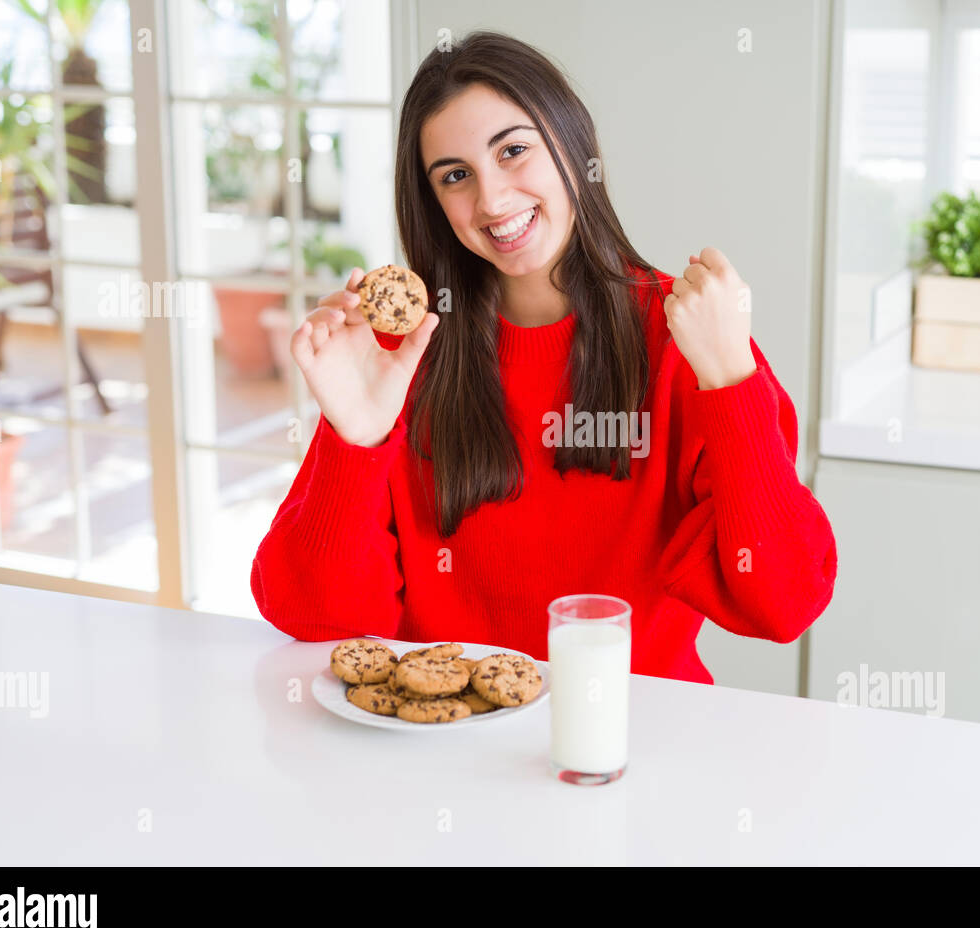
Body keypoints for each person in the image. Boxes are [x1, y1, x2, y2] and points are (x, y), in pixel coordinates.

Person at [251, 31, 836, 683]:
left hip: (627, 741)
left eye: (514, 150)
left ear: (572, 143)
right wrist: (355, 441)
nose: (493, 201)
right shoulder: (399, 354)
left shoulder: (693, 342)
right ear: (435, 203)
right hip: (442, 749)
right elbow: (311, 617)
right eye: (455, 176)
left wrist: (733, 382)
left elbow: (783, 604)